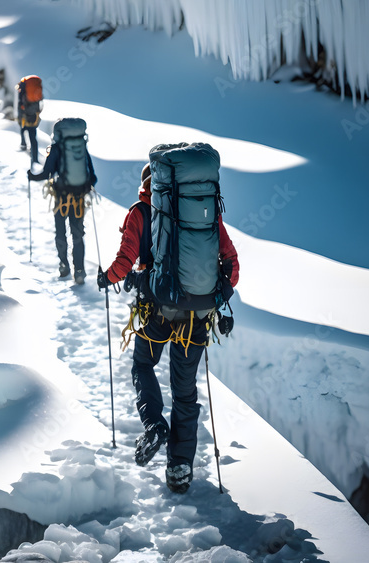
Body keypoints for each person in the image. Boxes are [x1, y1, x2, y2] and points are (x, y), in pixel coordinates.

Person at [96, 163, 239, 493]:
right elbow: (231, 264)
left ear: (149, 183)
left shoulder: (141, 211)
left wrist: (108, 278)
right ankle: (180, 468)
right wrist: (216, 295)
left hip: (156, 311)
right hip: (197, 317)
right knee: (185, 390)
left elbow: (125, 258)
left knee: (143, 364)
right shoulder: (204, 211)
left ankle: (154, 424)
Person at [26, 119, 97, 285]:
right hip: (79, 198)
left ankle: (64, 265)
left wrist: (32, 176)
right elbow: (92, 175)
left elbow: (47, 173)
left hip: (62, 197)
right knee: (78, 234)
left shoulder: (57, 148)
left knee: (61, 232)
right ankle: (79, 270)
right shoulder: (81, 146)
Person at [16, 75, 42, 164]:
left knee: (23, 129)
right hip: (34, 114)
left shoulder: (22, 89)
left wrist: (20, 117)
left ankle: (23, 145)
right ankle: (35, 157)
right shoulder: (35, 89)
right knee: (33, 136)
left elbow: (20, 104)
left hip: (25, 114)